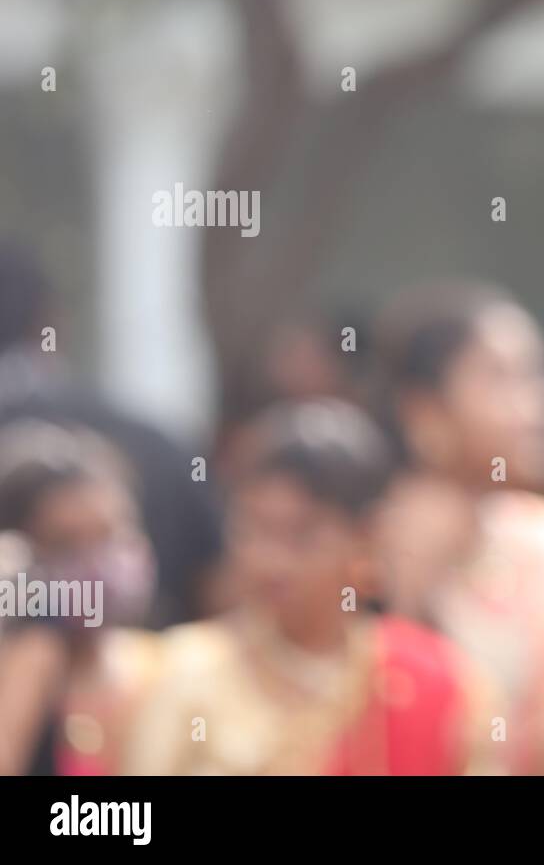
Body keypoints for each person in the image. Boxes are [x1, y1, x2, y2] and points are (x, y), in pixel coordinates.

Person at [120, 399, 472, 775]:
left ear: (366, 538)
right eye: (254, 530)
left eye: (300, 536)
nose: (271, 561)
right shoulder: (183, 674)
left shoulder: (433, 681)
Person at [372, 282, 544, 774]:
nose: (542, 403)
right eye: (502, 379)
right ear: (422, 412)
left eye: (537, 377)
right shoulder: (363, 547)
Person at [0, 241, 223, 627]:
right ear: (49, 321)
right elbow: (214, 585)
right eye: (64, 544)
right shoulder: (155, 440)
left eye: (108, 538)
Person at [0, 420, 158, 775]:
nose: (96, 564)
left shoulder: (172, 668)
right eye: (66, 543)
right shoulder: (24, 668)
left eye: (109, 534)